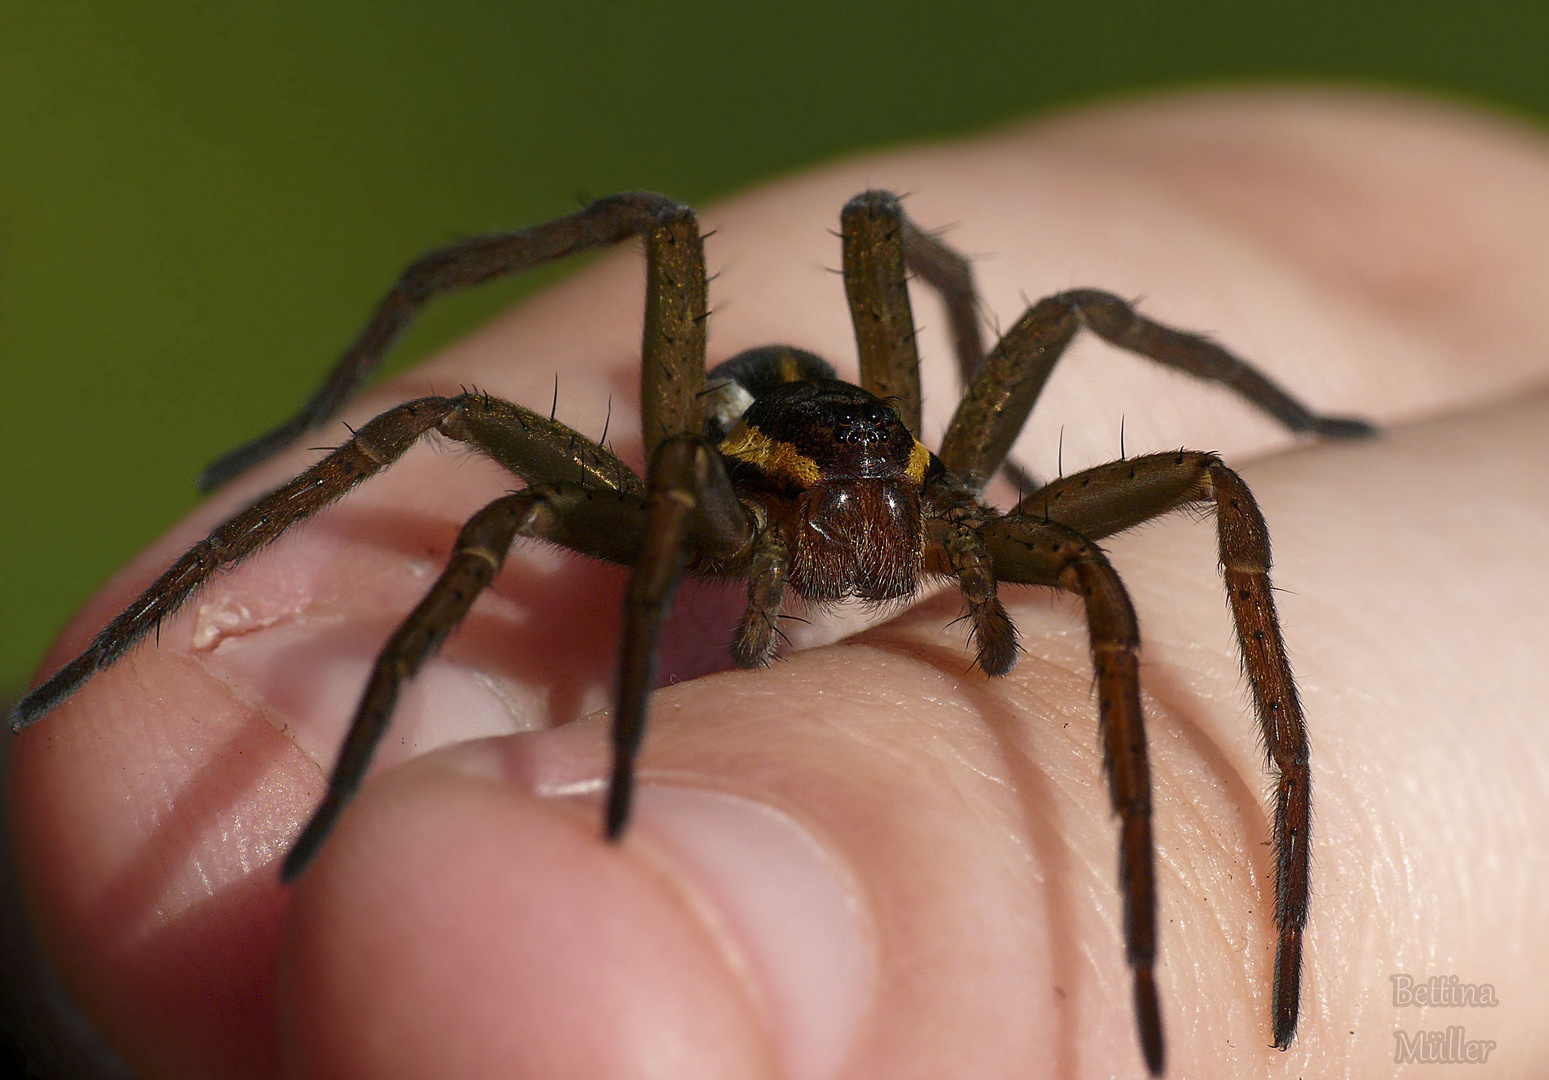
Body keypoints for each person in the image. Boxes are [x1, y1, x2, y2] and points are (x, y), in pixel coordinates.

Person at [11, 88, 1549, 1078]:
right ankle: (196, 673)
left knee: (1163, 454)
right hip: (740, 453)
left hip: (855, 431)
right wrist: (618, 757)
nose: (878, 539)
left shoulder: (932, 490)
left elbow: (978, 309)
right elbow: (494, 510)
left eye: (905, 500)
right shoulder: (684, 492)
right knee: (464, 417)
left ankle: (1158, 951)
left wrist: (1290, 450)